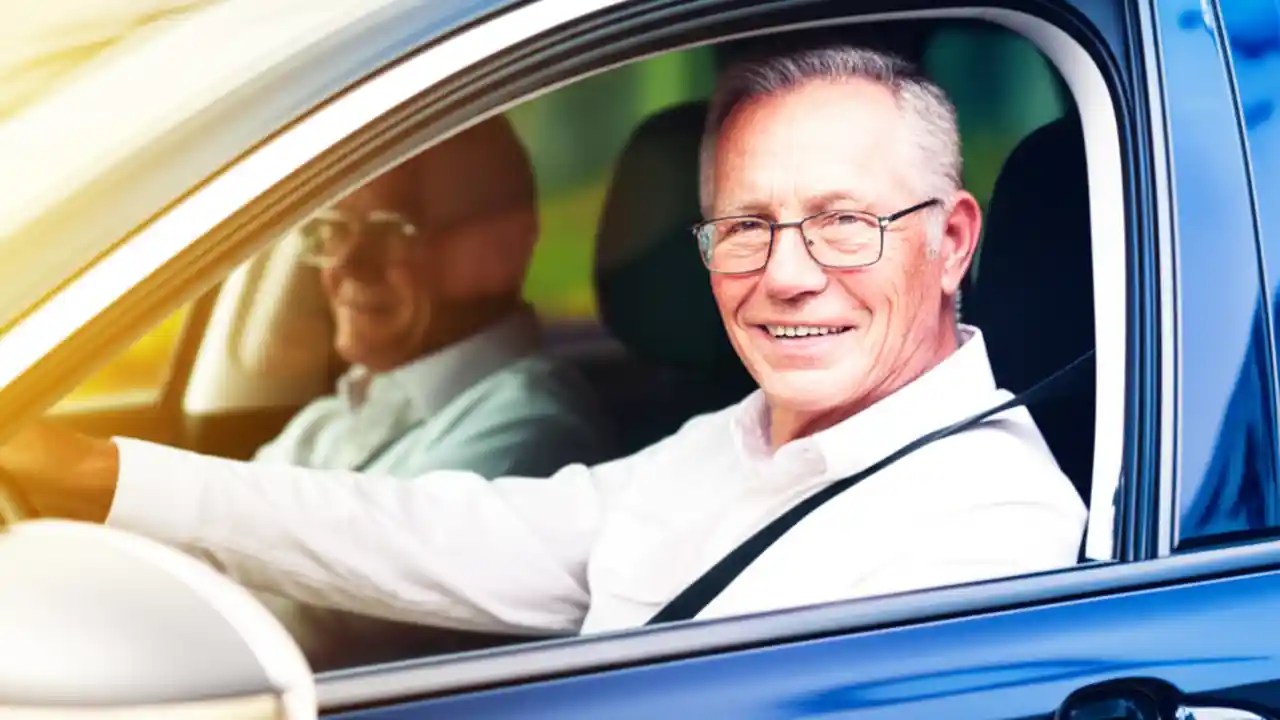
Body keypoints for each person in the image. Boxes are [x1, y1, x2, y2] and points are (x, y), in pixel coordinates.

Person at [0, 46, 1086, 636]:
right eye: (747, 226)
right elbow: (441, 532)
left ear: (948, 242)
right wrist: (105, 476)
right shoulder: (729, 446)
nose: (787, 271)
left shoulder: (985, 536)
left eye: (845, 222)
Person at [256, 116, 611, 479]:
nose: (348, 264)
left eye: (390, 231)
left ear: (500, 250)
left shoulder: (528, 430)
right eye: (334, 229)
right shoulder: (322, 427)